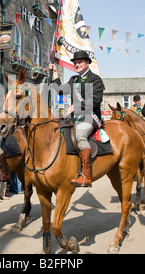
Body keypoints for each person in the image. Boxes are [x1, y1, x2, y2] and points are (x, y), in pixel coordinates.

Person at [49, 50, 104, 187]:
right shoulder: (73, 80)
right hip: (74, 118)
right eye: (75, 63)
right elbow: (60, 91)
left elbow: (96, 100)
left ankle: (86, 176)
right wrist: (55, 72)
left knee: (80, 135)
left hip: (90, 117)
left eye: (80, 62)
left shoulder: (95, 79)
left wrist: (76, 106)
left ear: (87, 64)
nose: (77, 64)